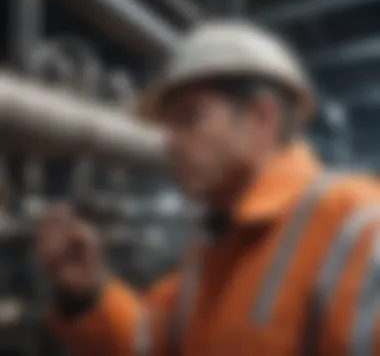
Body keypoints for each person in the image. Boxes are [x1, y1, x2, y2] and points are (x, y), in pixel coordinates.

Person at [36, 21, 380, 356]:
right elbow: (151, 343)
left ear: (263, 117)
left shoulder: (357, 226)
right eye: (168, 126)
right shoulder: (215, 248)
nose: (170, 143)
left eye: (188, 118)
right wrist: (86, 294)